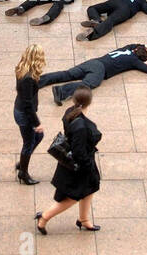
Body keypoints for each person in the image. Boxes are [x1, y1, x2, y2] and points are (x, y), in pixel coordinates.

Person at [35, 86, 102, 234]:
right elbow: (79, 151)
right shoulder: (82, 127)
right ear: (89, 102)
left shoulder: (70, 112)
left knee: (90, 188)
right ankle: (44, 218)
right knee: (73, 196)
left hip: (73, 163)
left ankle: (84, 220)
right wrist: (89, 167)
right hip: (80, 167)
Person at [38, 43, 147, 105]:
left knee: (68, 74)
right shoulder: (134, 60)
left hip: (93, 62)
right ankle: (61, 92)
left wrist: (144, 45)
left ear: (135, 50)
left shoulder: (125, 49)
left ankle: (38, 81)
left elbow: (132, 45)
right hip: (101, 70)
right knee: (87, 84)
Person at [14, 44, 46, 185]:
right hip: (24, 114)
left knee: (37, 137)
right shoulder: (28, 78)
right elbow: (28, 104)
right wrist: (37, 123)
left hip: (21, 109)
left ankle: (23, 162)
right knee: (29, 143)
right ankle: (23, 173)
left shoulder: (22, 68)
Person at [77, 0, 147, 41]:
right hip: (125, 10)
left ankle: (96, 19)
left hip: (115, 2)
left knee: (92, 8)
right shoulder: (141, 0)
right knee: (110, 21)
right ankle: (92, 34)